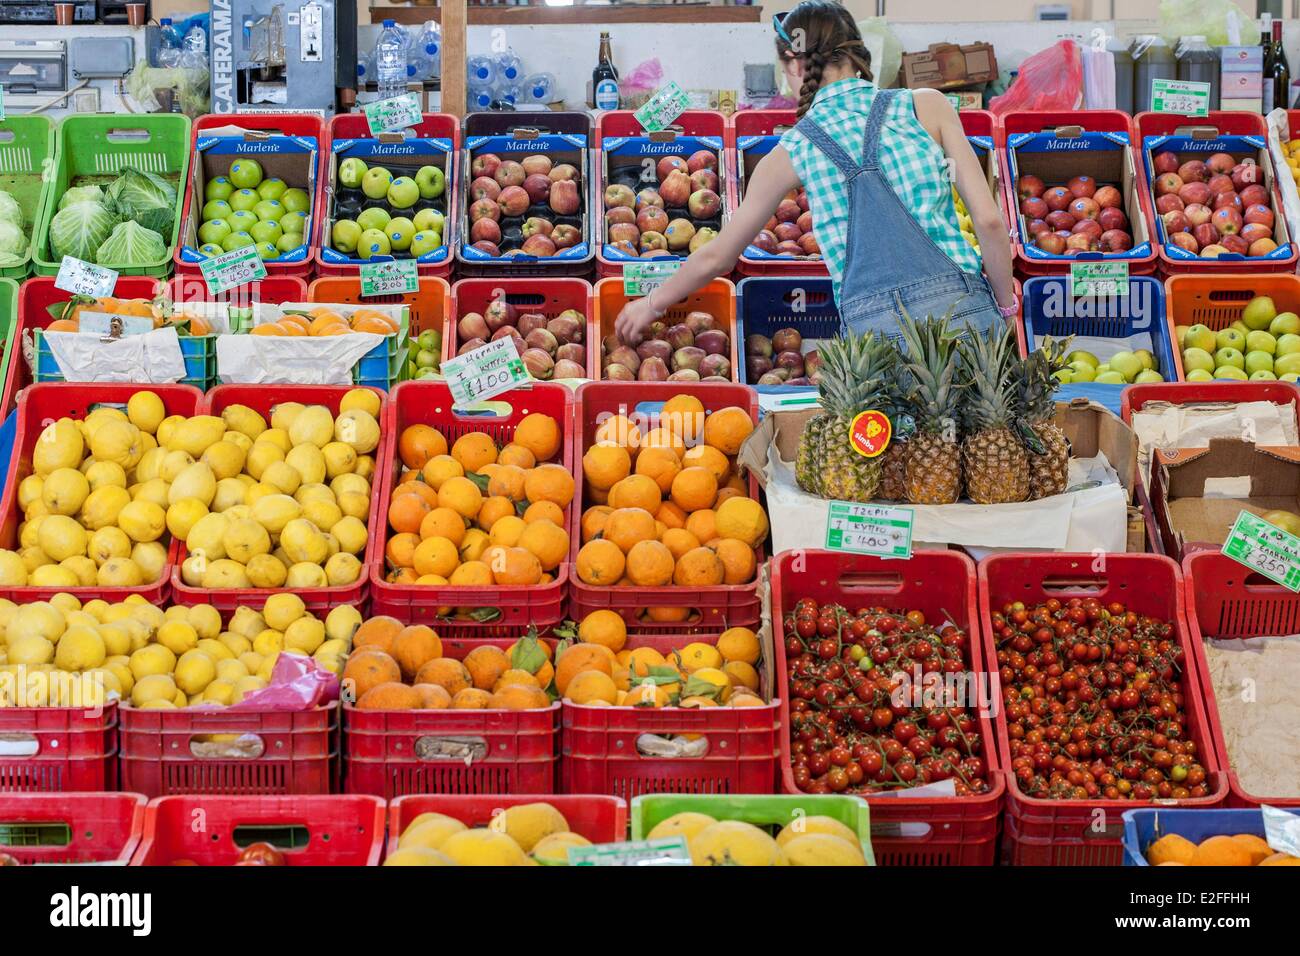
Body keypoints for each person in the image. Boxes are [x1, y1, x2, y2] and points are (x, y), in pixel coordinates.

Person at [616, 0, 1016, 346]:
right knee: (986, 435)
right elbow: (988, 221)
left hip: (875, 331)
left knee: (896, 438)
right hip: (964, 308)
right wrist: (1003, 305)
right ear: (854, 53)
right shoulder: (927, 106)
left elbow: (719, 256)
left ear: (793, 63)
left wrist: (652, 303)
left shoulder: (791, 151)